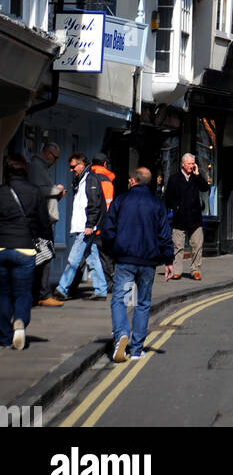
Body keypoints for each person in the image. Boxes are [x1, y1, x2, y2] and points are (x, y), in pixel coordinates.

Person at [101, 167, 174, 362]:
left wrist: (113, 250)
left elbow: (107, 229)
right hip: (148, 262)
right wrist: (168, 260)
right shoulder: (157, 204)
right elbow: (165, 235)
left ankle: (122, 334)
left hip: (125, 260)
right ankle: (136, 349)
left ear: (133, 181)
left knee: (119, 300)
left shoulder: (121, 200)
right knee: (143, 303)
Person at [0, 154, 52, 349]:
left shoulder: (1, 192)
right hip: (25, 249)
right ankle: (20, 320)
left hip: (2, 247)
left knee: (3, 294)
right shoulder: (35, 191)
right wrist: (46, 242)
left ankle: (4, 338)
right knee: (23, 293)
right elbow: (43, 223)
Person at [44, 154, 108, 303]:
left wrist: (90, 225)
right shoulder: (83, 179)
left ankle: (62, 289)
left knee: (73, 259)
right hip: (83, 226)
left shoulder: (90, 179)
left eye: (73, 166)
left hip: (85, 227)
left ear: (81, 164)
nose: (71, 169)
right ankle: (101, 290)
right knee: (93, 259)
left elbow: (94, 203)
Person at [27, 141, 65, 306]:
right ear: (47, 153)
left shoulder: (40, 167)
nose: (55, 161)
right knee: (45, 255)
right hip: (41, 221)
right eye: (54, 157)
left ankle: (40, 293)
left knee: (44, 256)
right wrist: (56, 190)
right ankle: (42, 294)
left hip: (44, 219)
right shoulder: (36, 166)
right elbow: (37, 191)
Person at [164, 153, 209, 281]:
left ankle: (196, 270)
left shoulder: (196, 177)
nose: (191, 166)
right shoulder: (174, 178)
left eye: (193, 163)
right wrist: (176, 207)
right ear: (183, 164)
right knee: (178, 246)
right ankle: (177, 271)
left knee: (197, 245)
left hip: (195, 218)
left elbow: (205, 188)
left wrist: (198, 174)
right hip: (179, 218)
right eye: (189, 164)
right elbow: (168, 198)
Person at [90, 156, 116, 287]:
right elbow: (108, 205)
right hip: (101, 225)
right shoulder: (106, 180)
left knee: (81, 257)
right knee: (105, 256)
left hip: (87, 225)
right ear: (105, 164)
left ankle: (68, 286)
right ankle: (108, 283)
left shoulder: (87, 177)